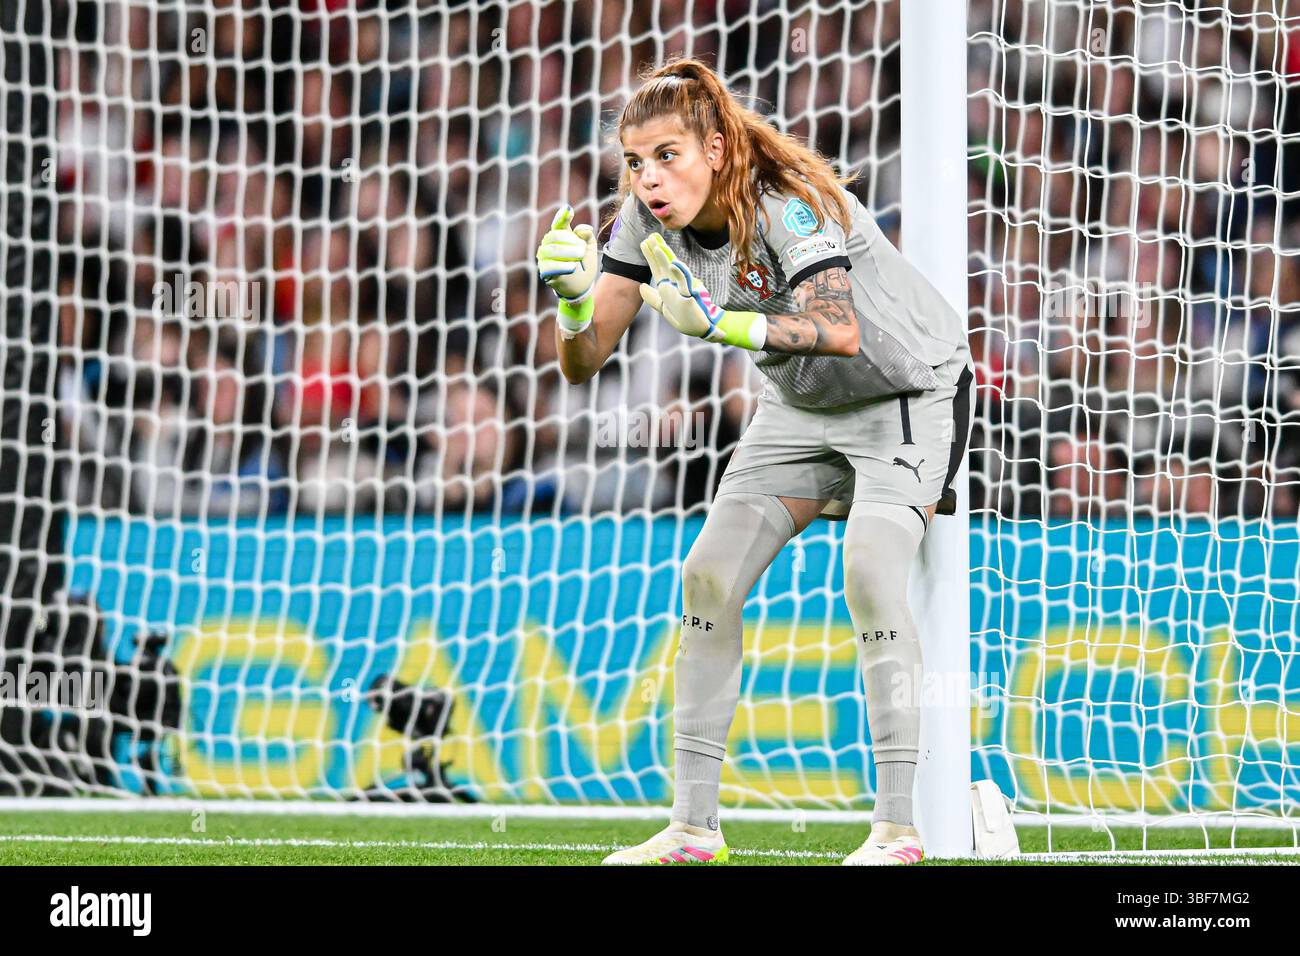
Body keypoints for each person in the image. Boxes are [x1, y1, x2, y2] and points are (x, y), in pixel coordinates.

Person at [535, 58, 971, 866]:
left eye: (668, 154)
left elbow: (840, 329)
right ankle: (693, 830)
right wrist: (567, 299)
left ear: (718, 146)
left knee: (872, 571)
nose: (649, 178)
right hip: (800, 408)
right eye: (634, 161)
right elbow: (582, 359)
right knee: (705, 576)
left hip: (904, 392)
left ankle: (897, 831)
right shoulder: (643, 220)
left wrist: (722, 328)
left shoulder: (788, 205)